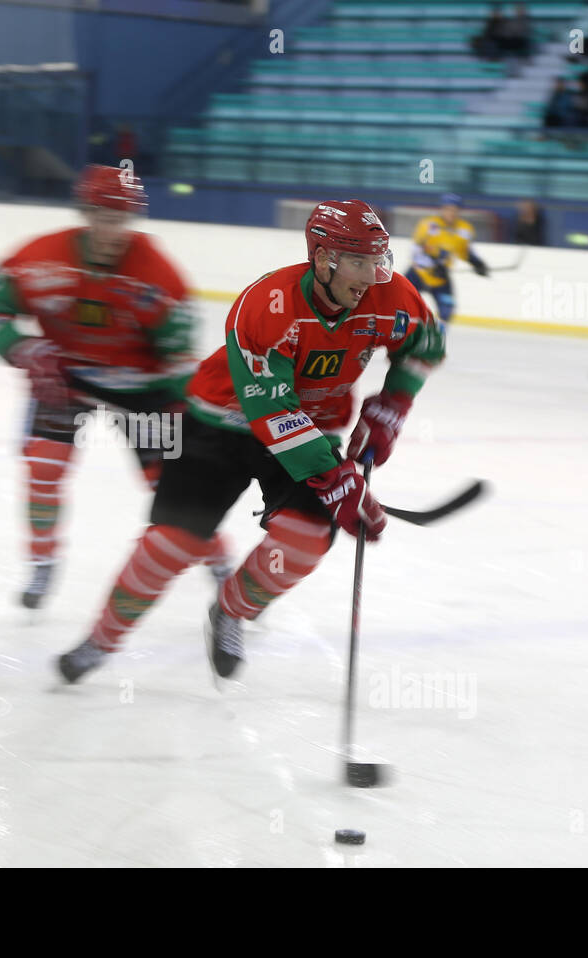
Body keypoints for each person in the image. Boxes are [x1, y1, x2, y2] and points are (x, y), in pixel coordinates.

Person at [55, 200, 445, 684]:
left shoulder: (391, 297)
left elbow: (426, 345)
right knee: (171, 544)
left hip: (313, 425)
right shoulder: (266, 305)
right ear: (323, 258)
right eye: (357, 262)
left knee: (304, 543)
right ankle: (102, 638)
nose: (371, 276)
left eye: (377, 261)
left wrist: (392, 406)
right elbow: (272, 410)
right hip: (217, 422)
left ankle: (231, 611)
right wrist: (334, 477)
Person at [0, 165, 231, 611]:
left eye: (123, 218)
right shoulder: (42, 257)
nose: (115, 230)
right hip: (65, 378)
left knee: (170, 484)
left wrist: (183, 409)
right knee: (43, 466)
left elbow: (180, 356)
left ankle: (220, 562)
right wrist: (22, 348)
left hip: (145, 388)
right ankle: (42, 562)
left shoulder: (158, 275)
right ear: (85, 214)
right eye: (105, 216)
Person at [405, 192, 489, 334]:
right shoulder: (428, 225)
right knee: (402, 305)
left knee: (447, 310)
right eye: (448, 208)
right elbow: (416, 251)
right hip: (418, 274)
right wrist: (432, 264)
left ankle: (436, 339)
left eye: (455, 209)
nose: (451, 212)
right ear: (442, 209)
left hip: (441, 277)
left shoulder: (464, 229)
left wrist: (477, 263)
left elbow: (465, 251)